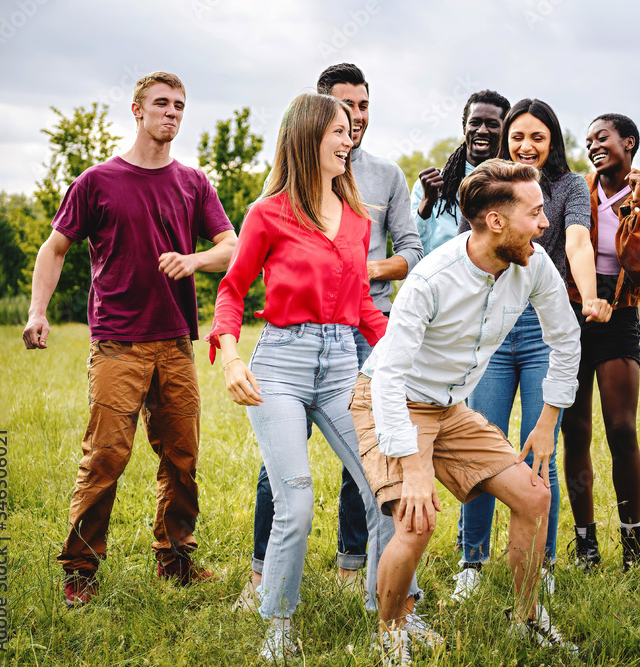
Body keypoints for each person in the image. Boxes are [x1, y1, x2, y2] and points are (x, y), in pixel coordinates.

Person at [208, 93, 422, 661]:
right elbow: (231, 293)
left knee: (387, 492)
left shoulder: (355, 218)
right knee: (296, 503)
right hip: (279, 364)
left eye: (352, 130)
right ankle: (277, 622)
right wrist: (230, 359)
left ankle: (397, 610)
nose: (350, 139)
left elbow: (361, 307)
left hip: (341, 364)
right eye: (339, 130)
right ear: (308, 138)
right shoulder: (268, 213)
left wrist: (404, 355)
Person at [352, 159, 581, 664]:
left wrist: (548, 419)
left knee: (533, 496)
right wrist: (414, 468)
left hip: (448, 407)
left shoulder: (534, 264)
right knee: (417, 520)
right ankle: (390, 635)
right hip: (391, 398)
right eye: (536, 212)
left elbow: (565, 337)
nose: (545, 224)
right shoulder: (432, 279)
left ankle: (526, 619)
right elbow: (389, 376)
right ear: (495, 221)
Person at [21, 72, 236, 607]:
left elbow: (232, 246)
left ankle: (176, 558)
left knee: (182, 457)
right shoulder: (97, 181)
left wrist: (195, 260)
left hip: (175, 343)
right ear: (137, 110)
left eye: (180, 105)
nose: (171, 113)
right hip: (118, 343)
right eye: (161, 104)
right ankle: (80, 570)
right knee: (106, 457)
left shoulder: (193, 182)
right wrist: (37, 311)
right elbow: (55, 248)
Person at [452, 98, 611, 598]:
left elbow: (578, 242)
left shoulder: (567, 188)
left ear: (552, 141)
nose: (527, 145)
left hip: (545, 329)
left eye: (537, 137)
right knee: (483, 447)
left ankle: (541, 562)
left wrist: (589, 294)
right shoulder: (491, 186)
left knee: (539, 452)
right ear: (506, 141)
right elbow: (466, 254)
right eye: (518, 136)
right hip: (492, 337)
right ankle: (471, 562)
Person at [560, 113, 640, 570]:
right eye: (588, 141)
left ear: (630, 142)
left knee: (621, 429)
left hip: (619, 314)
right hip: (570, 312)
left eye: (602, 138)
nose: (593, 145)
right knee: (575, 430)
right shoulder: (577, 189)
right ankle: (586, 544)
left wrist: (637, 207)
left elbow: (638, 263)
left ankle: (632, 545)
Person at [411, 89, 511, 254]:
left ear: (505, 132)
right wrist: (426, 204)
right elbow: (411, 249)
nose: (482, 130)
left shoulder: (516, 187)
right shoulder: (430, 185)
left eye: (492, 125)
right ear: (465, 127)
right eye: (475, 122)